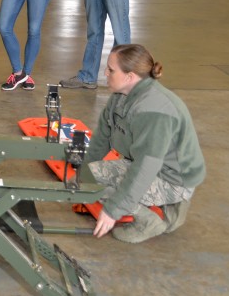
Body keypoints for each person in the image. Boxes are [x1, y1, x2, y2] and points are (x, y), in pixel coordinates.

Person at [88, 44, 206, 243]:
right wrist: (79, 175)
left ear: (130, 76)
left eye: (111, 69)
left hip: (174, 180)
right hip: (150, 167)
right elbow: (102, 138)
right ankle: (158, 206)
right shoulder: (120, 98)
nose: (105, 72)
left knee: (108, 190)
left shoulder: (154, 110)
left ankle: (150, 220)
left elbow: (145, 167)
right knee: (89, 177)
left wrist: (112, 211)